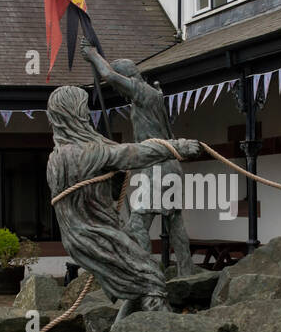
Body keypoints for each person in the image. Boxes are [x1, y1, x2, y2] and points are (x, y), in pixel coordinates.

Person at [45, 85, 202, 320]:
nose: (88, 115)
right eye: (84, 110)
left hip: (80, 237)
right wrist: (175, 147)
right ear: (75, 114)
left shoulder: (56, 158)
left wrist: (115, 180)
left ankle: (120, 331)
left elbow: (93, 188)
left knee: (136, 280)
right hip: (97, 235)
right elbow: (132, 153)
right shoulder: (86, 152)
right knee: (151, 279)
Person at [80, 38, 197, 276]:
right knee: (174, 221)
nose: (119, 91)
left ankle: (146, 274)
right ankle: (186, 271)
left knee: (137, 224)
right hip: (167, 164)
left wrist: (92, 55)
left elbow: (110, 76)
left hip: (158, 166)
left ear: (130, 78)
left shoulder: (142, 92)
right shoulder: (149, 95)